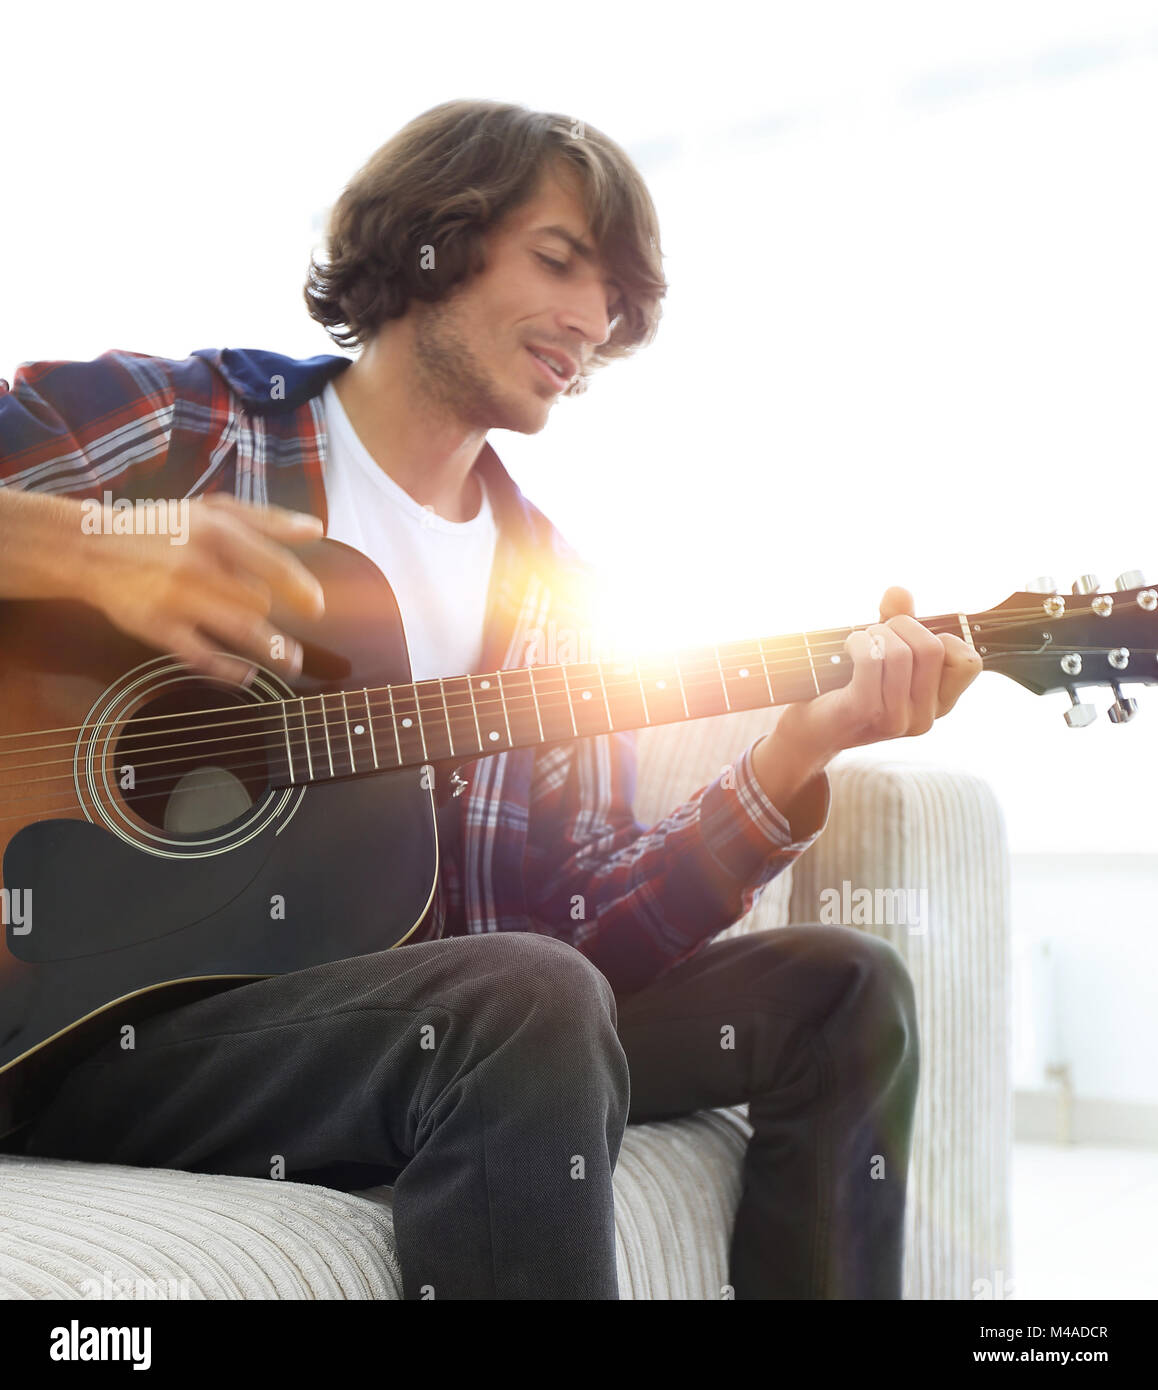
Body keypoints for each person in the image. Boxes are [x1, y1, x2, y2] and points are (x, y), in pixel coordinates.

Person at [0, 99, 981, 1299]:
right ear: (434, 237)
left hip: (360, 1035)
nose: (592, 319)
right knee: (520, 1003)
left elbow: (575, 934)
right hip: (82, 1024)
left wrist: (792, 758)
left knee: (840, 990)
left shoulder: (557, 599)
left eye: (613, 296)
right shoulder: (193, 432)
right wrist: (89, 546)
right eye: (560, 262)